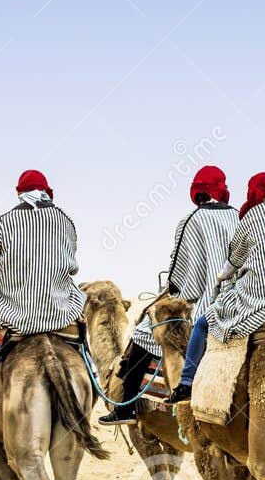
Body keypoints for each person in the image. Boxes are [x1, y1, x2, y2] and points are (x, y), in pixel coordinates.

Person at [100, 165, 236, 424]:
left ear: (197, 192)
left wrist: (173, 289)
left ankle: (125, 408)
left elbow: (179, 274)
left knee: (142, 332)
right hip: (242, 304)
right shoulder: (241, 217)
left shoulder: (191, 220)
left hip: (206, 303)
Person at [168, 172, 265, 403]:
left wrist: (219, 277)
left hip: (260, 296)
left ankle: (186, 383)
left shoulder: (247, 217)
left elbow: (231, 260)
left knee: (202, 323)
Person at [0, 169, 85, 395]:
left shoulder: (6, 221)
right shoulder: (66, 222)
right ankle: (91, 373)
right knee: (83, 321)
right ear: (47, 192)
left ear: (20, 193)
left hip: (13, 310)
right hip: (59, 310)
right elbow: (73, 265)